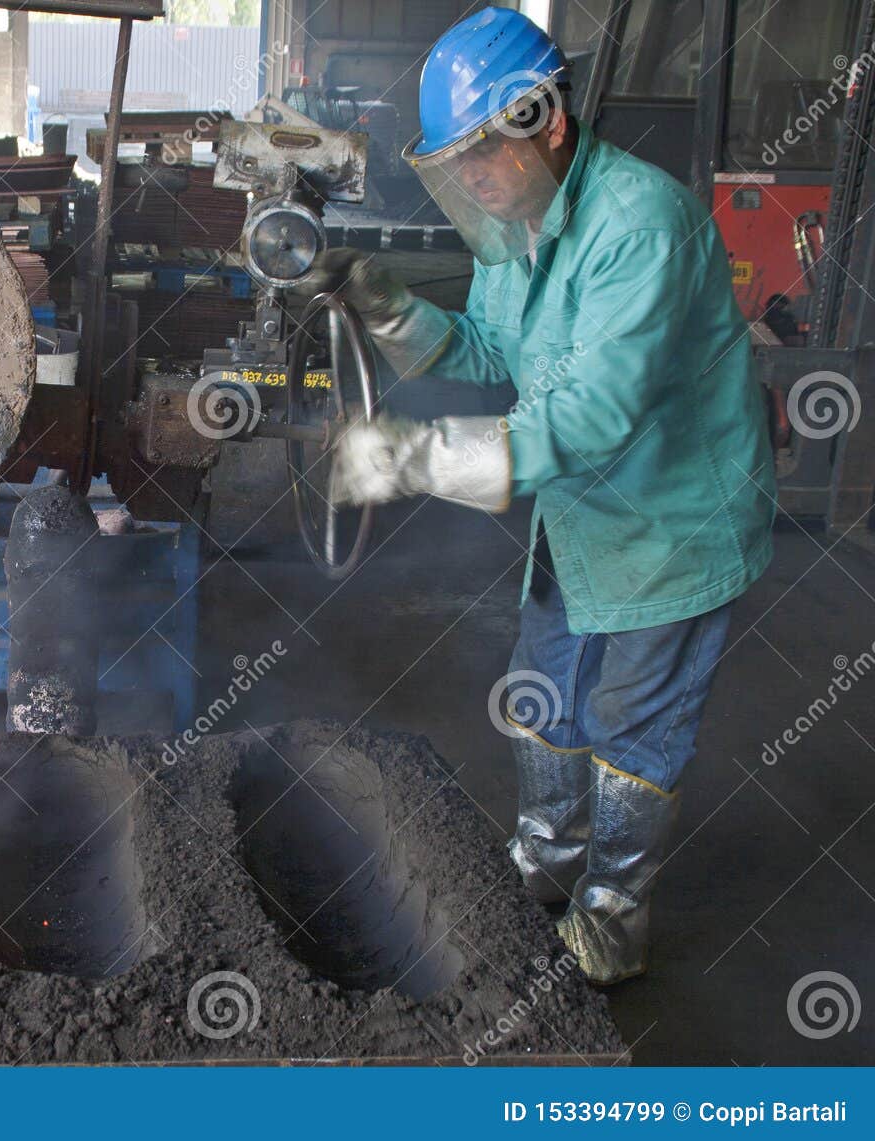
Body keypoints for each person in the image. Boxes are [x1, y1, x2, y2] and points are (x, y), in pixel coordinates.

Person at [323, 6, 776, 984]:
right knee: (545, 688)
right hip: (578, 511)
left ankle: (611, 914)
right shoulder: (516, 225)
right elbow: (496, 351)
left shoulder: (641, 225)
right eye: (457, 165)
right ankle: (544, 859)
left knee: (630, 718)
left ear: (548, 122)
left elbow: (587, 417)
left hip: (669, 521)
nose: (472, 182)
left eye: (482, 156)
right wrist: (390, 306)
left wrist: (412, 458)